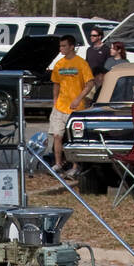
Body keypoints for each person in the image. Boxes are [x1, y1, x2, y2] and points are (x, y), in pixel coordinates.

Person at [49, 34, 94, 178]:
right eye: (60, 46)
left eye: (64, 46)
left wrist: (79, 98)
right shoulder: (59, 64)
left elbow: (90, 83)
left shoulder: (81, 63)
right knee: (57, 135)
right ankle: (58, 163)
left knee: (74, 137)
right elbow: (56, 83)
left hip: (76, 107)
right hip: (61, 106)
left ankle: (75, 166)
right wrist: (55, 101)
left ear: (71, 47)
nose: (61, 49)